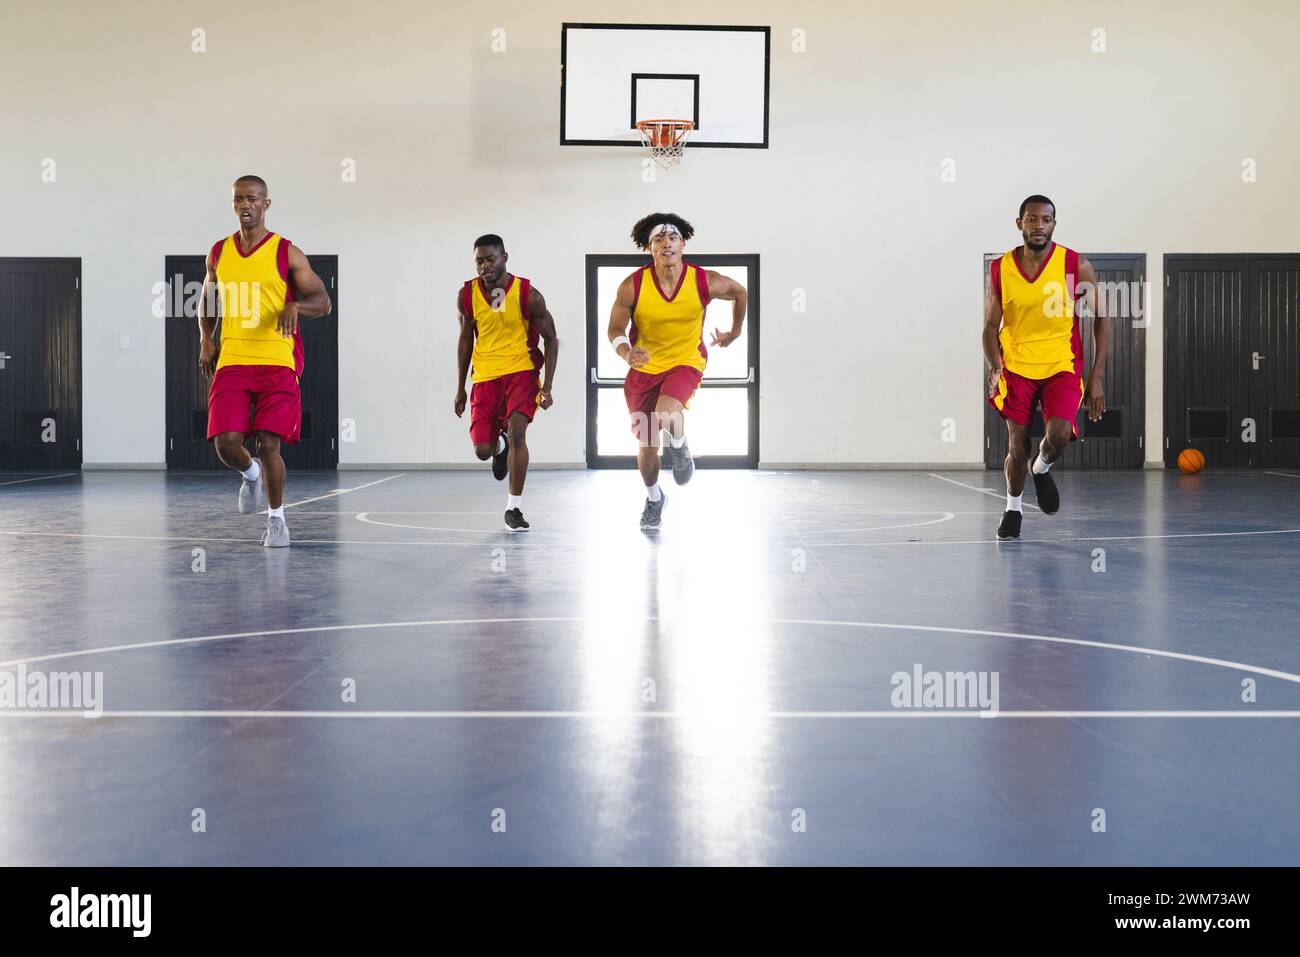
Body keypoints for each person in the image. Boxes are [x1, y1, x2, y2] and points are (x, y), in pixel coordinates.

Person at [198, 175, 332, 547]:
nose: (246, 205)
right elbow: (207, 300)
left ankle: (276, 520)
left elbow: (323, 301)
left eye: (253, 199)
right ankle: (251, 473)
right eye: (239, 199)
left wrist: (295, 305)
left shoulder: (286, 251)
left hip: (276, 360)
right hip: (233, 359)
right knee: (226, 443)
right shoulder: (218, 252)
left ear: (266, 204)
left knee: (269, 444)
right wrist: (206, 338)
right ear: (233, 203)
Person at [606, 213, 747, 530]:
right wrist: (627, 353)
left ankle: (681, 447)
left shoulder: (704, 280)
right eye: (658, 239)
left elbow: (740, 292)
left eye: (672, 237)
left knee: (667, 413)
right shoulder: (633, 286)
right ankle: (655, 498)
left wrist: (735, 332)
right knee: (646, 448)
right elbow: (614, 328)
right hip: (644, 371)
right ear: (650, 248)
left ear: (683, 243)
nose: (666, 243)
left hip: (685, 361)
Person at [983, 195, 1109, 540]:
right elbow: (988, 329)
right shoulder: (1001, 268)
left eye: (1046, 220)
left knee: (1057, 436)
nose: (1039, 225)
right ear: (1020, 223)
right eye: (1032, 219)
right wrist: (995, 366)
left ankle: (1042, 469)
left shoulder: (1074, 265)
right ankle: (1013, 508)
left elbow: (1102, 318)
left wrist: (1096, 378)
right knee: (1016, 446)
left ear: (1054, 224)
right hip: (1017, 367)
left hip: (1061, 365)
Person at [454, 234, 558, 530]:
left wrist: (547, 386)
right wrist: (460, 387)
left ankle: (513, 509)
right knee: (482, 451)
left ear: (504, 258)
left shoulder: (528, 294)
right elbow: (464, 340)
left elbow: (551, 339)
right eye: (479, 261)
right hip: (485, 376)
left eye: (490, 259)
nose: (484, 266)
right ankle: (498, 448)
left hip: (521, 372)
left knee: (517, 433)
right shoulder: (467, 296)